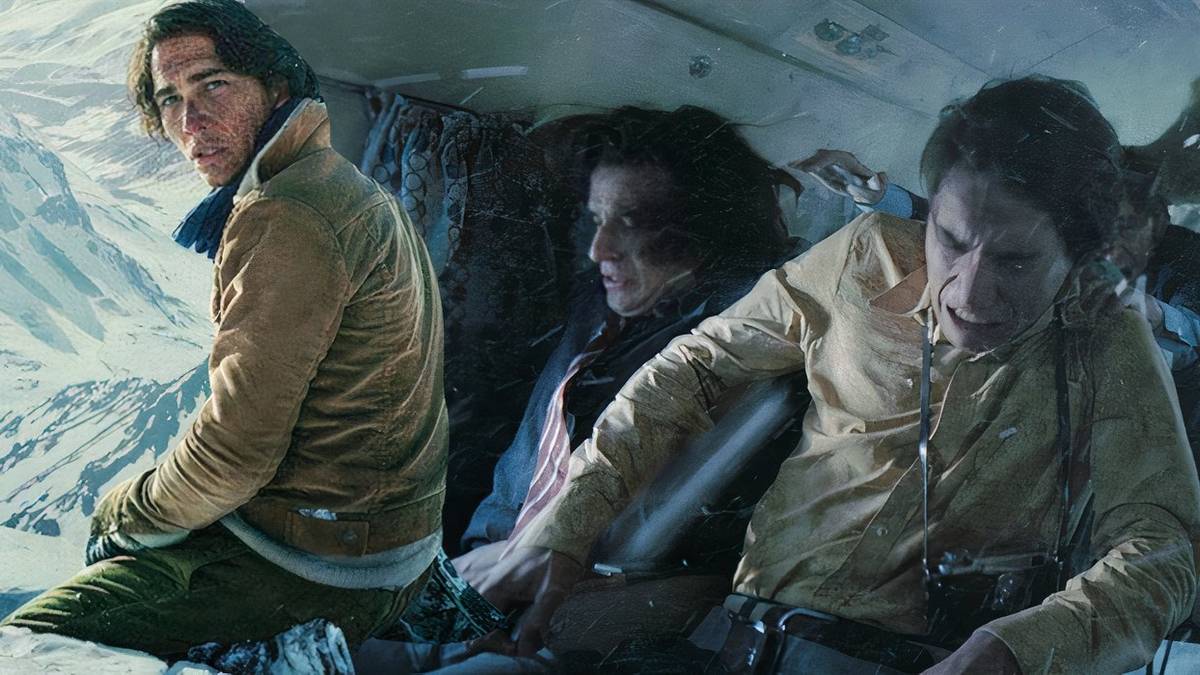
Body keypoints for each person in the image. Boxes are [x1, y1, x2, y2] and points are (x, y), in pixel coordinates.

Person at [479, 76, 1200, 674]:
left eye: (1015, 260)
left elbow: (1163, 549)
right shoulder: (862, 255)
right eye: (950, 239)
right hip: (732, 641)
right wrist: (565, 527)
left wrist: (1018, 651)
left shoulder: (1108, 338)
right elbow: (694, 366)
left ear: (1077, 253)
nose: (968, 295)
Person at [1, 0, 447, 669]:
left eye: (213, 85)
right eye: (170, 100)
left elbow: (234, 456)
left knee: (25, 646)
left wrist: (122, 513)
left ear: (276, 86)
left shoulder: (285, 212)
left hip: (315, 564)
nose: (191, 122)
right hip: (383, 546)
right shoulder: (344, 186)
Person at [352, 106, 801, 673]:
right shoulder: (599, 307)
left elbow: (704, 564)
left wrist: (557, 607)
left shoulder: (743, 348)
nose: (599, 250)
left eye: (631, 222)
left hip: (584, 624)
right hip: (480, 580)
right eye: (598, 219)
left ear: (706, 230)